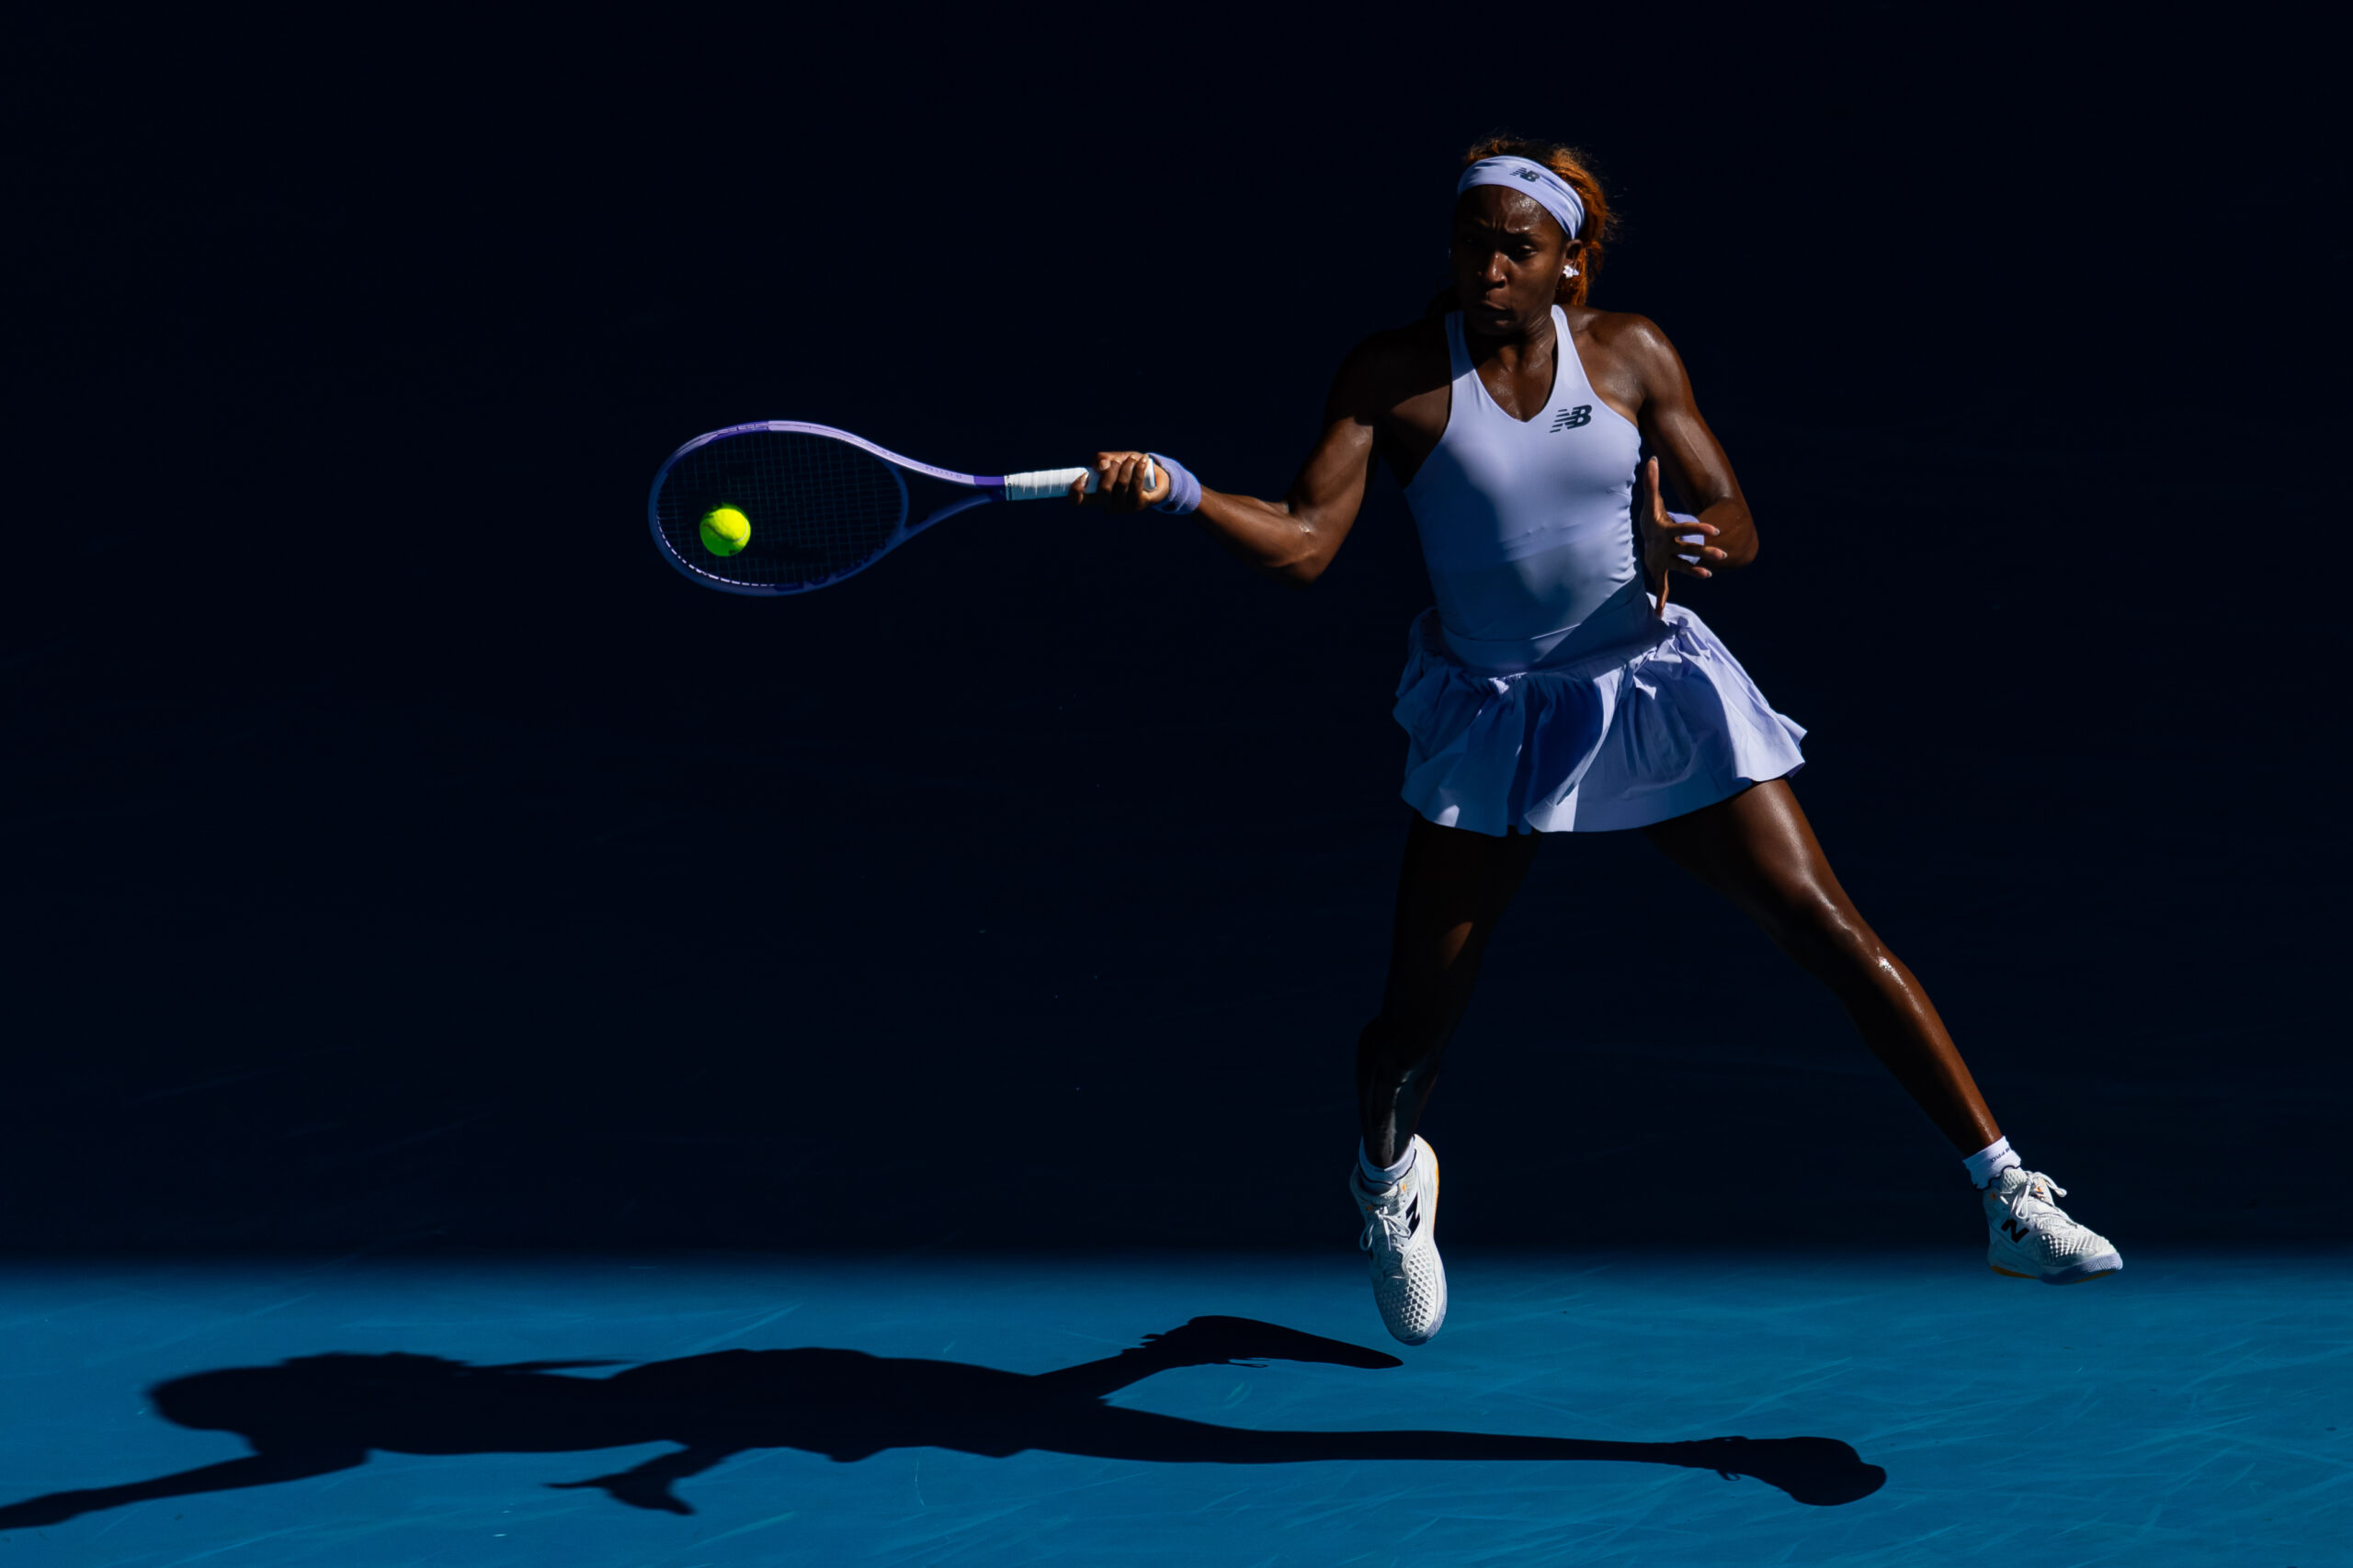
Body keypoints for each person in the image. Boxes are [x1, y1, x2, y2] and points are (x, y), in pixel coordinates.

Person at [1079, 137, 2120, 1346]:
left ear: (1570, 260)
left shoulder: (1632, 353)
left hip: (1649, 688)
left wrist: (1718, 538)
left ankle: (2007, 1194)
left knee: (1826, 923)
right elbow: (1310, 541)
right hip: (1496, 714)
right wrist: (1188, 493)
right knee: (1414, 1024)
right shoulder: (1396, 375)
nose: (1487, 267)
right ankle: (1384, 1179)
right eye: (1471, 242)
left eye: (1515, 248)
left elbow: (1731, 509)